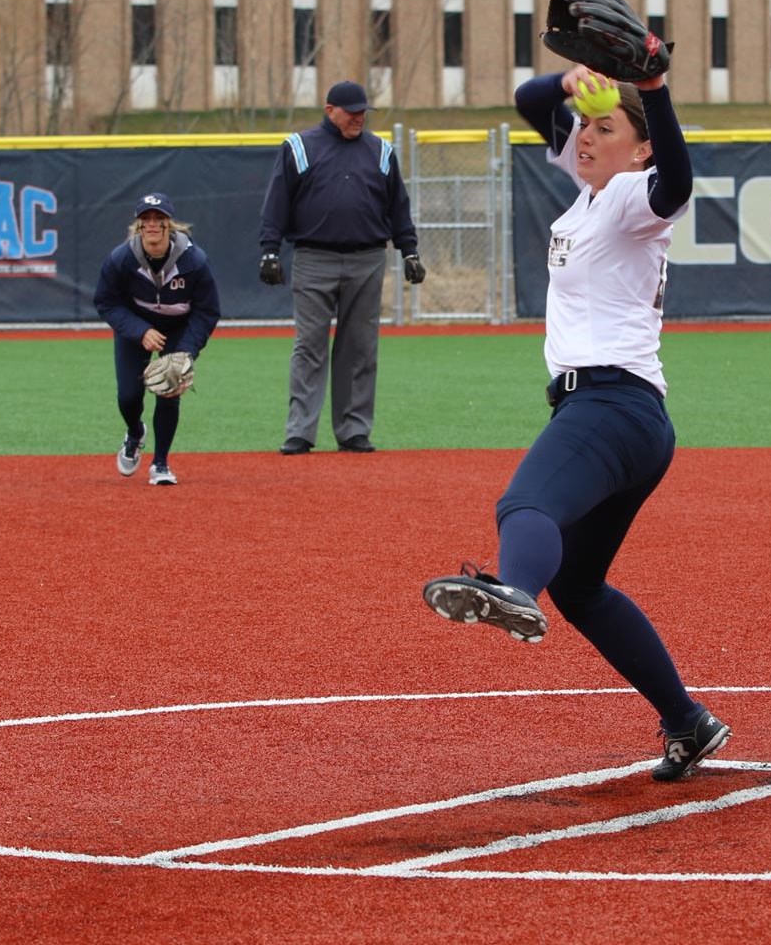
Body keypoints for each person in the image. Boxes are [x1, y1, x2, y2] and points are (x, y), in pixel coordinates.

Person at [420, 63, 725, 781]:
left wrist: (654, 91)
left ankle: (514, 591)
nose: (584, 136)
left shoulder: (631, 196)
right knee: (582, 587)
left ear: (641, 149)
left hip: (610, 405)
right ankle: (687, 720)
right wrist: (572, 82)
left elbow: (677, 182)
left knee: (525, 504)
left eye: (604, 128)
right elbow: (529, 98)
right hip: (627, 416)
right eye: (583, 126)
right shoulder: (591, 194)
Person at [257, 80, 424, 456]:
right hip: (314, 257)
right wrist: (269, 250)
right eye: (352, 112)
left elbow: (398, 206)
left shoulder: (381, 150)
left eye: (363, 112)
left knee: (360, 347)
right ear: (330, 110)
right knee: (309, 346)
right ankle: (300, 431)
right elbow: (277, 202)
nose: (359, 118)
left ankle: (353, 430)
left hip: (368, 259)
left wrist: (409, 251)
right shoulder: (299, 147)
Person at [94, 193, 221, 486]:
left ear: (169, 224)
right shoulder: (121, 259)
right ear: (139, 225)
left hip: (179, 328)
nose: (152, 224)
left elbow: (207, 311)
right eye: (146, 219)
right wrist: (140, 331)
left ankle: (160, 463)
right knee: (128, 396)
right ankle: (135, 433)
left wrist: (186, 352)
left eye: (159, 218)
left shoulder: (194, 261)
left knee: (169, 389)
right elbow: (106, 302)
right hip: (137, 327)